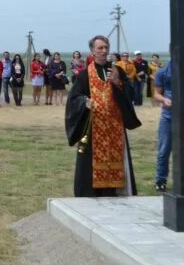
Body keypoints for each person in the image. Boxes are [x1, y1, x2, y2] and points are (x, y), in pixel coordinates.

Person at [65, 35, 140, 197]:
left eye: (106, 47)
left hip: (115, 128)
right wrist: (84, 102)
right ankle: (90, 194)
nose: (104, 51)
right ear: (92, 50)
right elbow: (74, 98)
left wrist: (117, 83)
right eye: (100, 48)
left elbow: (130, 95)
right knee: (90, 164)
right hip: (94, 128)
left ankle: (116, 193)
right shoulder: (85, 74)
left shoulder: (117, 71)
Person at [152, 55, 174, 192]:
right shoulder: (163, 72)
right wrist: (164, 100)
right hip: (168, 117)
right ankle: (160, 181)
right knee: (164, 150)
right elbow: (156, 94)